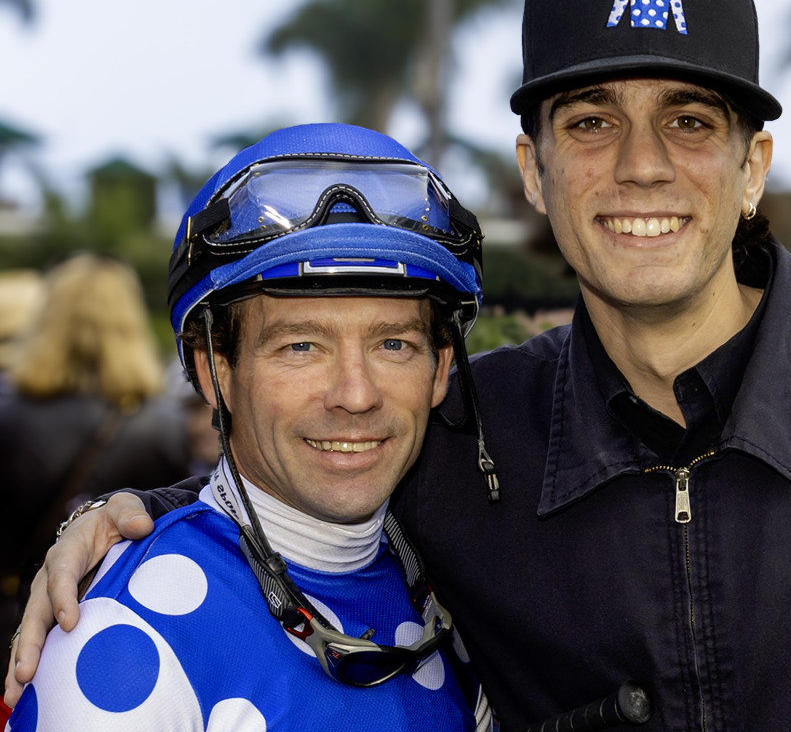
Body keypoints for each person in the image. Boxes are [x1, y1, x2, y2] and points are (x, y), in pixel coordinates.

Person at [9, 0, 791, 729]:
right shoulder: (468, 436)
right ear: (534, 171)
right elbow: (312, 465)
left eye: (689, 120)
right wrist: (131, 513)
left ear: (753, 168)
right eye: (591, 122)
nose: (641, 164)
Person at [4, 124, 493, 730]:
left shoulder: (467, 569)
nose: (356, 395)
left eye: (393, 343)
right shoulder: (120, 642)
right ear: (216, 373)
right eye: (300, 347)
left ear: (441, 369)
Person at [0, 254, 190, 656]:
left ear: (49, 316)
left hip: (10, 623)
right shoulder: (165, 424)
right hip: (119, 629)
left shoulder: (8, 413)